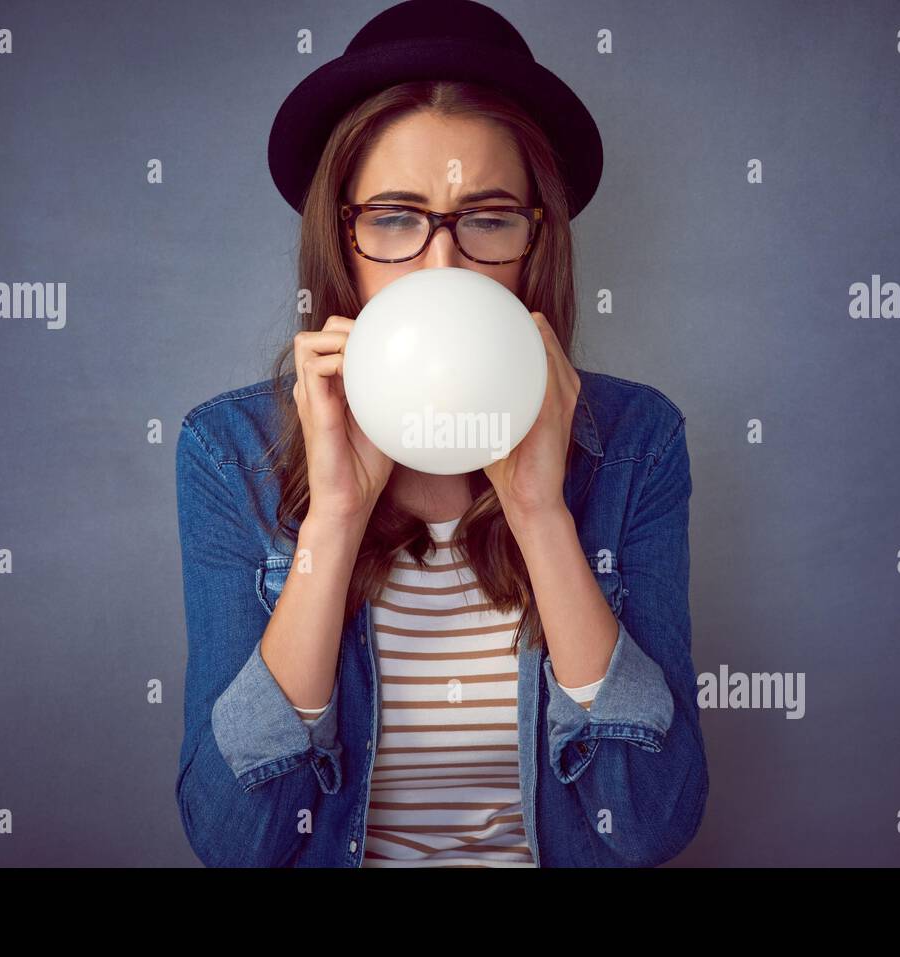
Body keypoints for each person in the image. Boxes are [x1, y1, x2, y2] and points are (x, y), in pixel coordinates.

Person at [174, 0, 708, 867]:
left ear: (538, 243)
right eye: (394, 218)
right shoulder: (229, 450)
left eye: (488, 218)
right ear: (339, 241)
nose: (442, 266)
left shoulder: (637, 440)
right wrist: (335, 520)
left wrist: (541, 517)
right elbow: (238, 843)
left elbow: (649, 822)